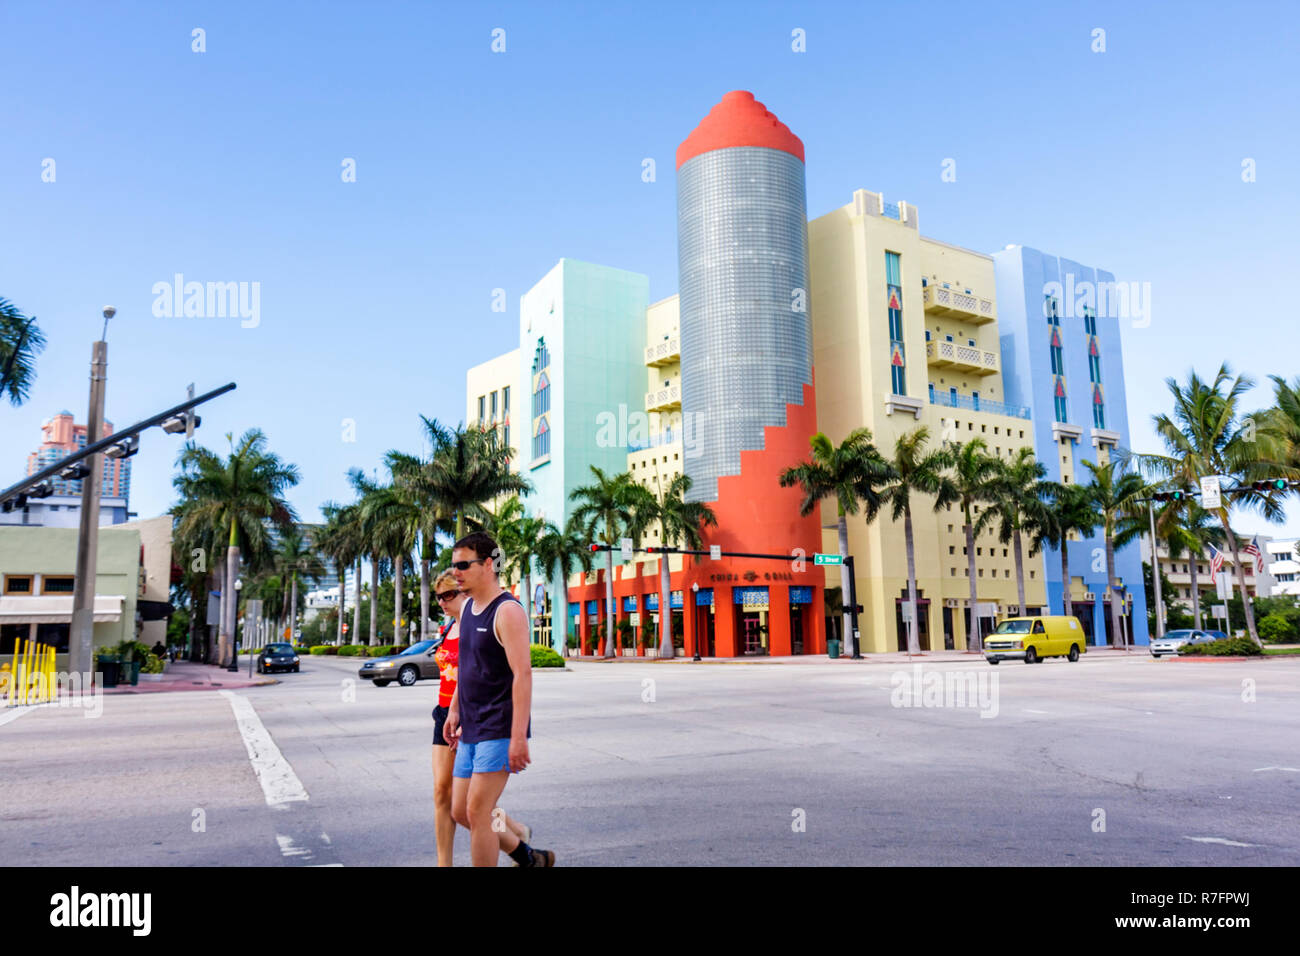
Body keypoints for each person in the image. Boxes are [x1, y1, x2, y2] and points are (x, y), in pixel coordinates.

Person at [444, 532, 555, 866]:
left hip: (499, 725)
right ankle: (527, 856)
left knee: (478, 811)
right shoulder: (467, 609)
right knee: (461, 810)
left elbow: (523, 674)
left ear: (488, 564)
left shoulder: (507, 611)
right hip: (473, 726)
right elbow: (467, 666)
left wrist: (519, 737)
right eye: (453, 565)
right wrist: (454, 710)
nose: (456, 572)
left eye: (463, 565)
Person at [430, 569, 530, 866]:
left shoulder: (482, 622)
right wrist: (452, 711)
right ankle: (512, 836)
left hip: (476, 717)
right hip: (445, 712)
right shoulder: (450, 628)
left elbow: (516, 671)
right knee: (443, 793)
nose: (443, 602)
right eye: (439, 597)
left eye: (449, 594)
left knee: (472, 803)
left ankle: (514, 837)